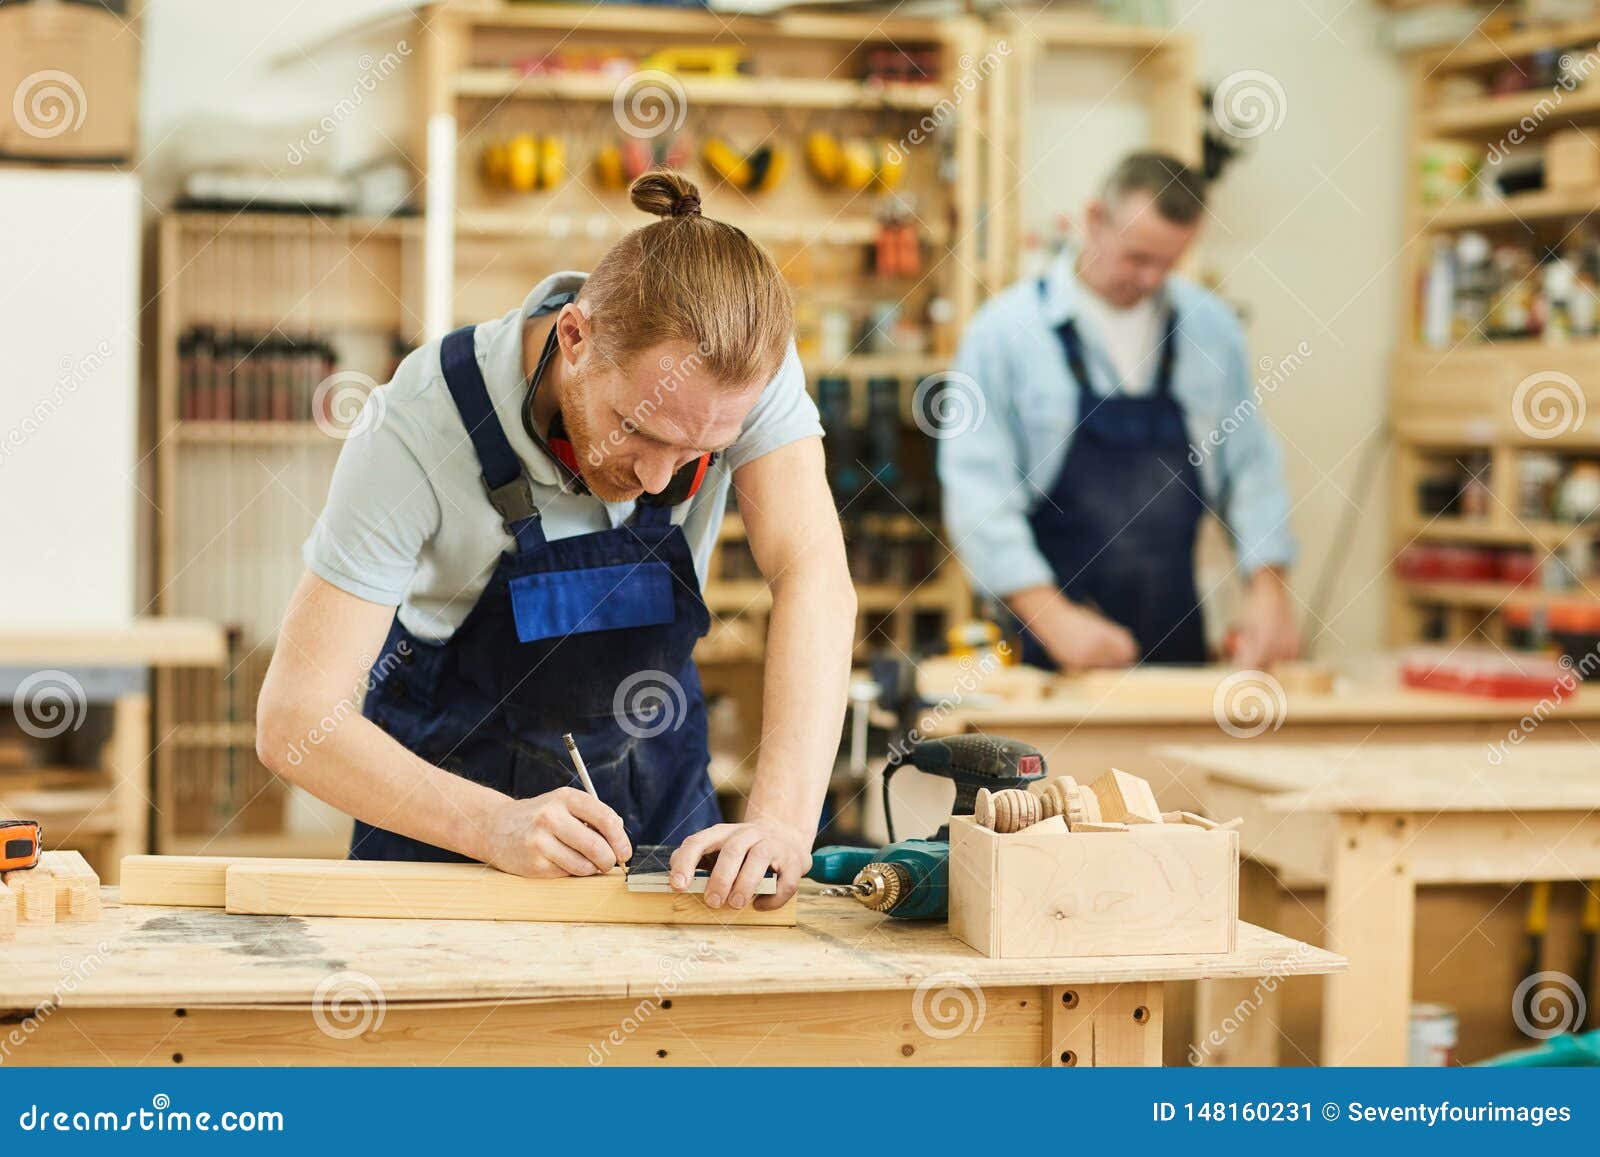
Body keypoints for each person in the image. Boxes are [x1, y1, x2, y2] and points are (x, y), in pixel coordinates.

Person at [257, 172, 855, 912]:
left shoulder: (731, 378)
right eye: (639, 429)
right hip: (445, 821)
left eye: (703, 451)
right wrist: (491, 824)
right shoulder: (414, 424)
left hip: (657, 797)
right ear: (575, 337)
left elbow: (813, 573)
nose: (659, 477)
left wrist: (780, 823)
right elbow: (292, 720)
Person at [938, 151, 1299, 670]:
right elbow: (978, 490)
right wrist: (1051, 616)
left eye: (1168, 263)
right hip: (1047, 649)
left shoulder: (1211, 330)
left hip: (1177, 642)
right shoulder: (1005, 333)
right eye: (1136, 257)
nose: (1150, 278)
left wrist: (1268, 588)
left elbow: (1250, 468)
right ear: (1093, 219)